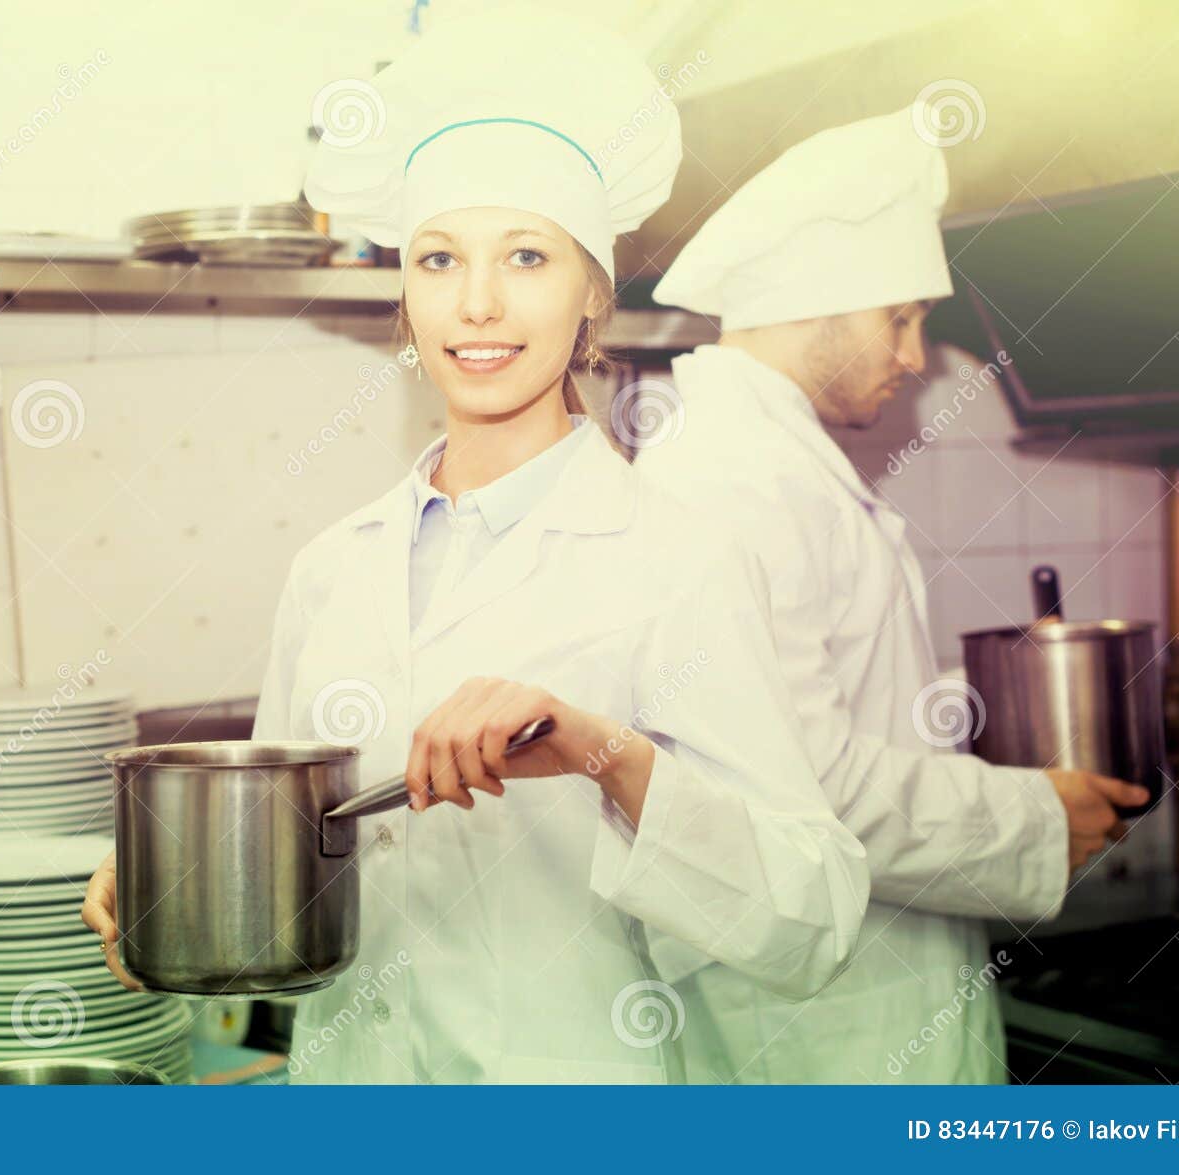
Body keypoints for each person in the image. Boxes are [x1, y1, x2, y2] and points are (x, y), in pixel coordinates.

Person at [84, 4, 869, 1084]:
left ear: (593, 291)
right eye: (439, 259)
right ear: (403, 297)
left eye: (528, 256)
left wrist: (604, 752)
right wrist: (175, 872)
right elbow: (281, 852)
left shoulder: (678, 557)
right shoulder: (333, 566)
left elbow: (812, 911)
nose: (479, 303)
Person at [636, 107, 1150, 1084]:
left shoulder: (764, 465)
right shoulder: (736, 482)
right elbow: (799, 785)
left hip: (850, 1001)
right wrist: (1034, 817)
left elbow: (820, 705)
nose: (916, 356)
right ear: (814, 303)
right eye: (901, 317)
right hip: (817, 1030)